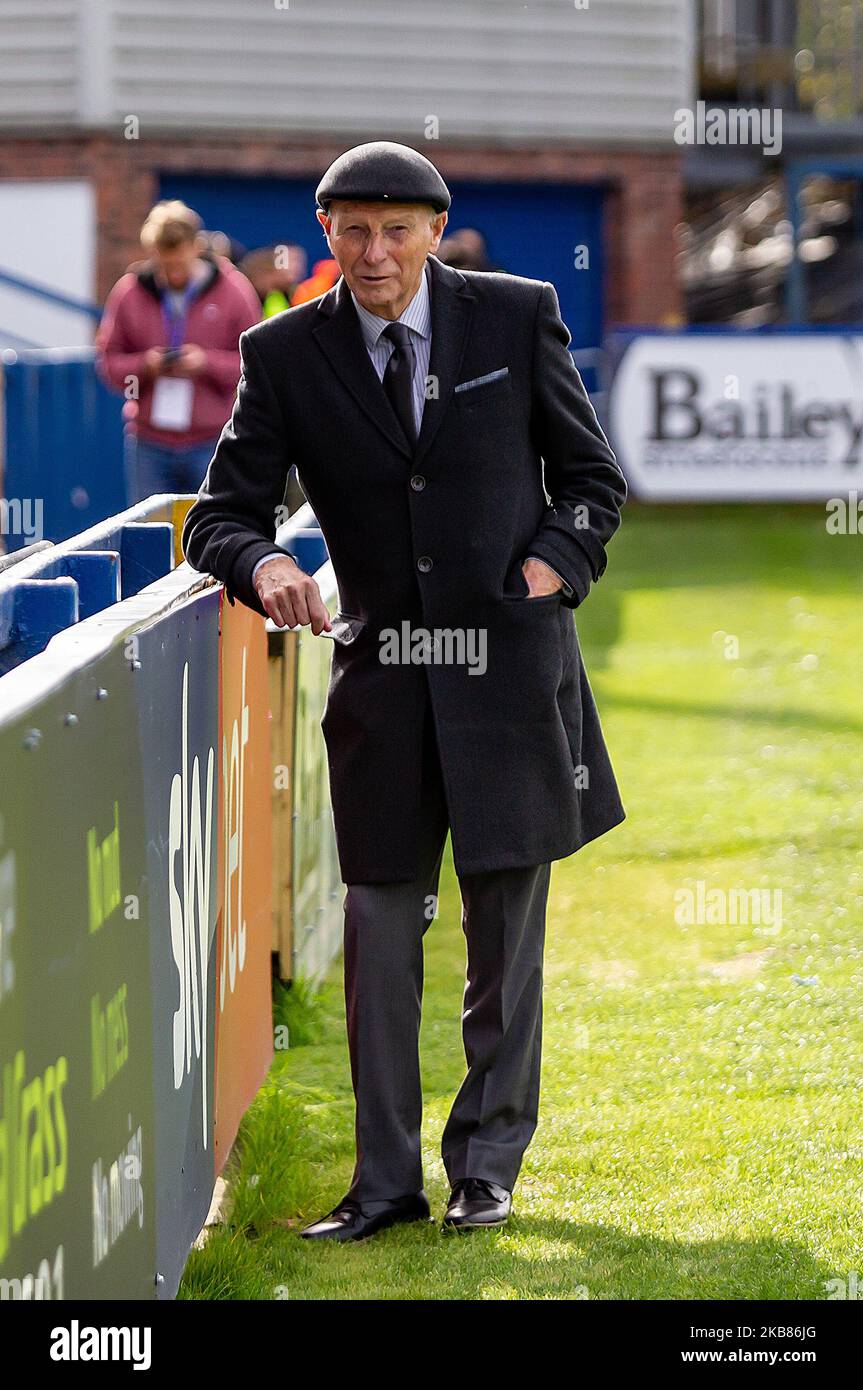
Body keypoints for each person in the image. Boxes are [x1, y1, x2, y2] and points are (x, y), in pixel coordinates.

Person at [182, 141, 627, 1241]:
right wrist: (267, 565)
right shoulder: (282, 352)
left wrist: (549, 568)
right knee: (381, 937)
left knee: (501, 943)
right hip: (381, 688)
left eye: (395, 229)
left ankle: (484, 1166)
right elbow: (221, 514)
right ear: (323, 233)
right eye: (352, 230)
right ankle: (383, 1185)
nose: (373, 252)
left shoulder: (515, 316)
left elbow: (590, 481)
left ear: (435, 228)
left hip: (512, 683)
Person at [96, 200, 261, 502]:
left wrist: (205, 363)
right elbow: (108, 363)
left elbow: (254, 364)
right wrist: (146, 365)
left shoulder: (234, 290)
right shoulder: (129, 293)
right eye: (164, 266)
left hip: (212, 439)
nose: (172, 275)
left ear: (196, 247)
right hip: (148, 441)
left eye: (179, 265)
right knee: (150, 536)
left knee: (212, 531)